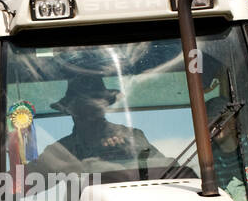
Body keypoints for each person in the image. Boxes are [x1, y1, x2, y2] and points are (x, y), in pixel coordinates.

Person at [31, 75, 168, 178]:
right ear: (71, 109)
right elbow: (24, 182)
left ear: (104, 106)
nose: (91, 110)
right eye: (83, 104)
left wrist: (130, 154)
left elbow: (167, 172)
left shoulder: (131, 137)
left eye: (95, 103)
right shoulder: (60, 151)